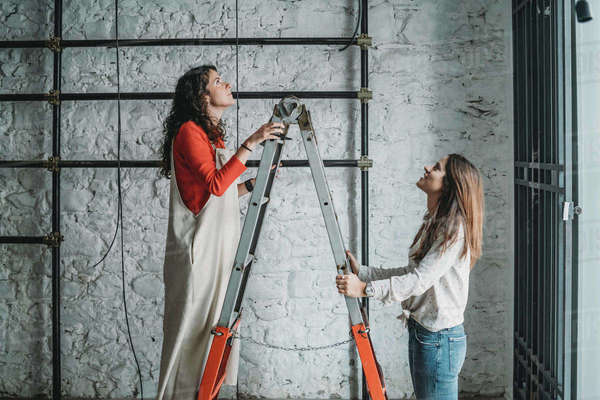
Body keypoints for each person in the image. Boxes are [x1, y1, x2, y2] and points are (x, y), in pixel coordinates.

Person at [156, 65, 283, 399]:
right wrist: (252, 142)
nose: (226, 83)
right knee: (192, 334)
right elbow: (214, 185)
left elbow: (221, 194)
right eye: (216, 81)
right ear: (202, 97)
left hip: (217, 248)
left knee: (214, 333)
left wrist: (253, 184)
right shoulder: (188, 132)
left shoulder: (209, 135)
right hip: (199, 252)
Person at [336, 154, 484, 400]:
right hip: (426, 334)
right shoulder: (437, 222)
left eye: (436, 168)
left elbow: (418, 281)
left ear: (449, 186)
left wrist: (364, 289)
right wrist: (365, 273)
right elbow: (413, 273)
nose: (427, 167)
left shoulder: (454, 230)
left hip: (439, 340)